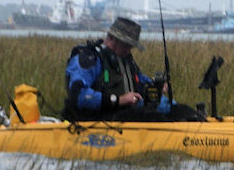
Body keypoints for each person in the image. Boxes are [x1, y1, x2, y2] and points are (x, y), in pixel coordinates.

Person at [62, 16, 203, 121]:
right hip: (102, 118)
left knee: (180, 110)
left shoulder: (126, 60)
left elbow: (140, 81)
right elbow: (79, 95)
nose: (129, 50)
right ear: (112, 39)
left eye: (130, 46)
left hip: (127, 115)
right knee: (153, 117)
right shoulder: (89, 59)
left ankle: (198, 121)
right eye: (126, 45)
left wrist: (156, 86)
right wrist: (118, 100)